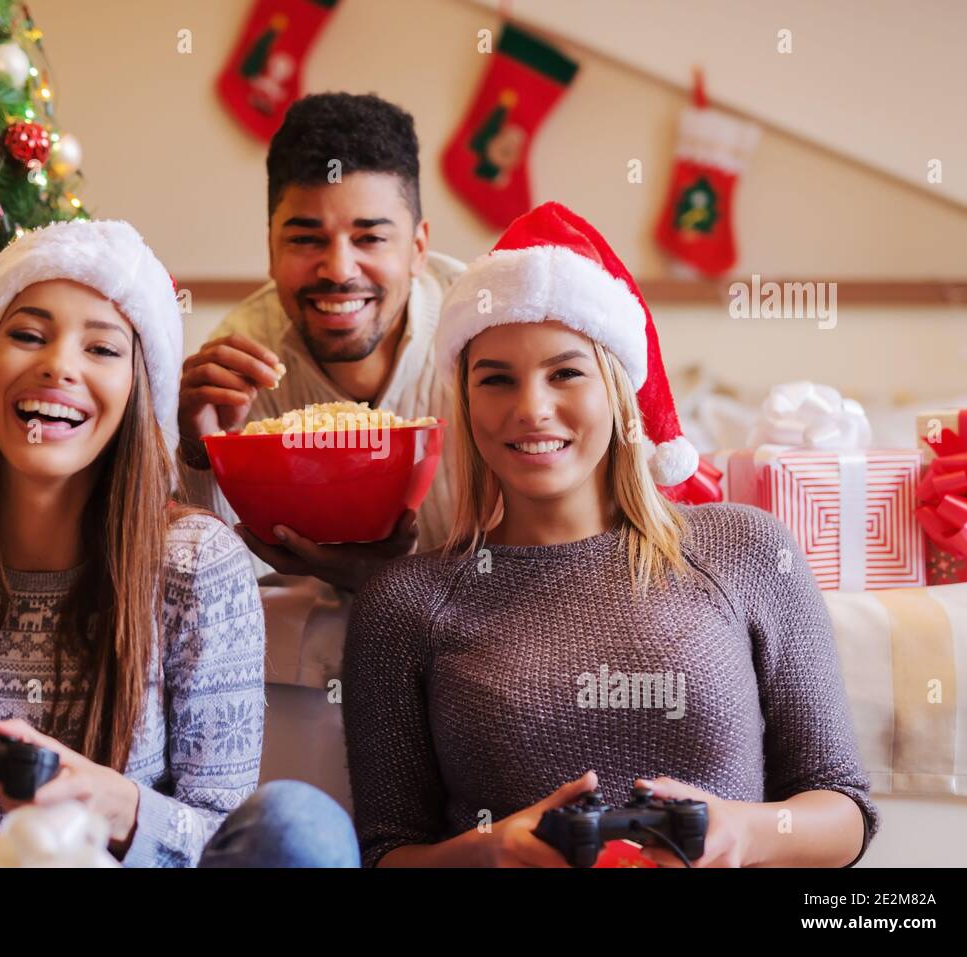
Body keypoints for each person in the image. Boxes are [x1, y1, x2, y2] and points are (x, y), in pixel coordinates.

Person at [342, 201, 879, 867]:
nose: (531, 408)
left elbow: (843, 808)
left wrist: (740, 832)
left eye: (566, 372)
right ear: (467, 399)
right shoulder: (404, 604)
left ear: (618, 389)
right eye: (496, 379)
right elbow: (386, 853)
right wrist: (492, 851)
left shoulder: (747, 552)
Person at [0, 219, 357, 868]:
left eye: (101, 349)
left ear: (136, 390)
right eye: (27, 335)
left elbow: (225, 843)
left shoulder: (197, 566)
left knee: (301, 824)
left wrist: (121, 806)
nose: (57, 364)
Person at [176, 93, 464, 803]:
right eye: (306, 238)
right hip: (305, 700)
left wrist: (391, 581)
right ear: (271, 245)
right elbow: (200, 584)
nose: (339, 270)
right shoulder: (237, 358)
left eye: (371, 237)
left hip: (469, 643)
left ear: (419, 246)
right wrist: (191, 447)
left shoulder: (480, 339)